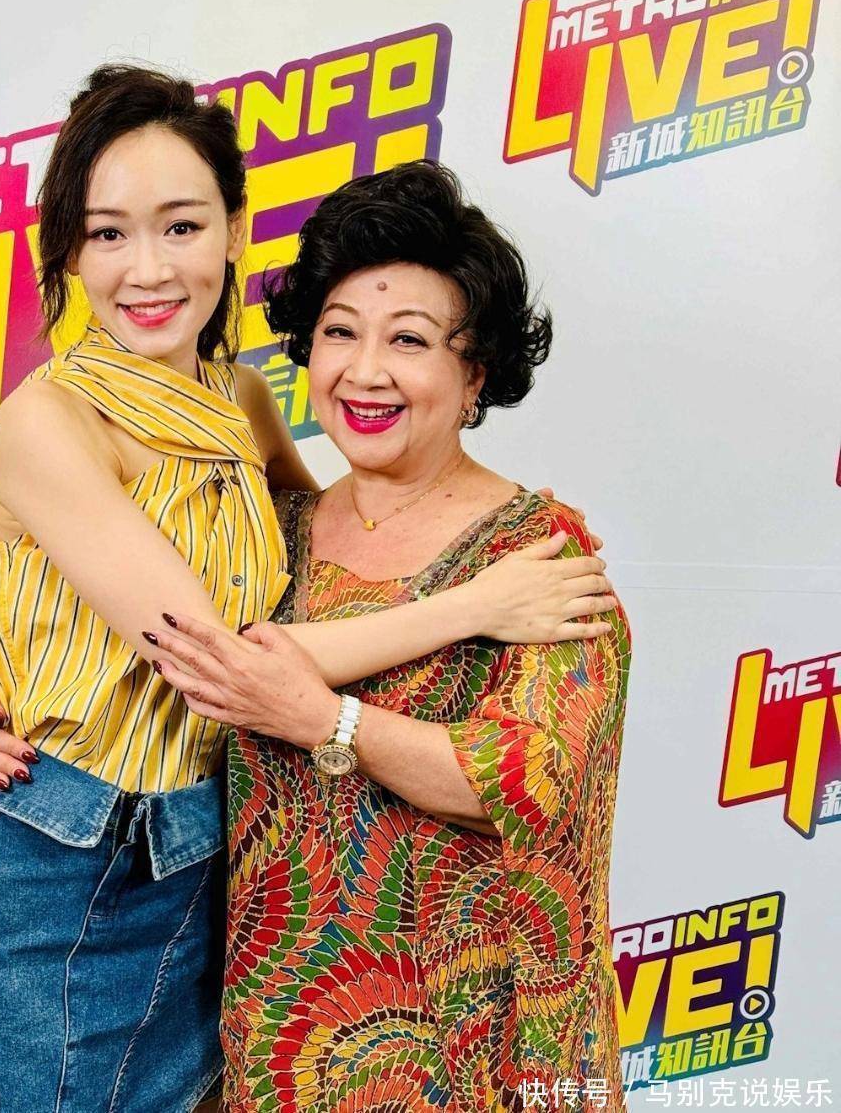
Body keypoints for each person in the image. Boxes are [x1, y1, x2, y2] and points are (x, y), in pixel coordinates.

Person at [0, 61, 616, 1113]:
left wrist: (1, 667)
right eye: (108, 233)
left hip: (205, 876)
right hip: (60, 864)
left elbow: (318, 568)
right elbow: (216, 654)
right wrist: (474, 607)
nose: (149, 268)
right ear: (69, 251)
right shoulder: (48, 419)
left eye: (182, 225)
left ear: (233, 231)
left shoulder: (245, 403)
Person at [144, 161, 633, 1111]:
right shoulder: (268, 535)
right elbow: (140, 660)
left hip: (478, 1059)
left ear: (474, 371)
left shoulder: (538, 550)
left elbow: (531, 784)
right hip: (274, 1051)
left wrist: (326, 720)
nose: (364, 372)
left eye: (407, 339)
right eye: (339, 332)